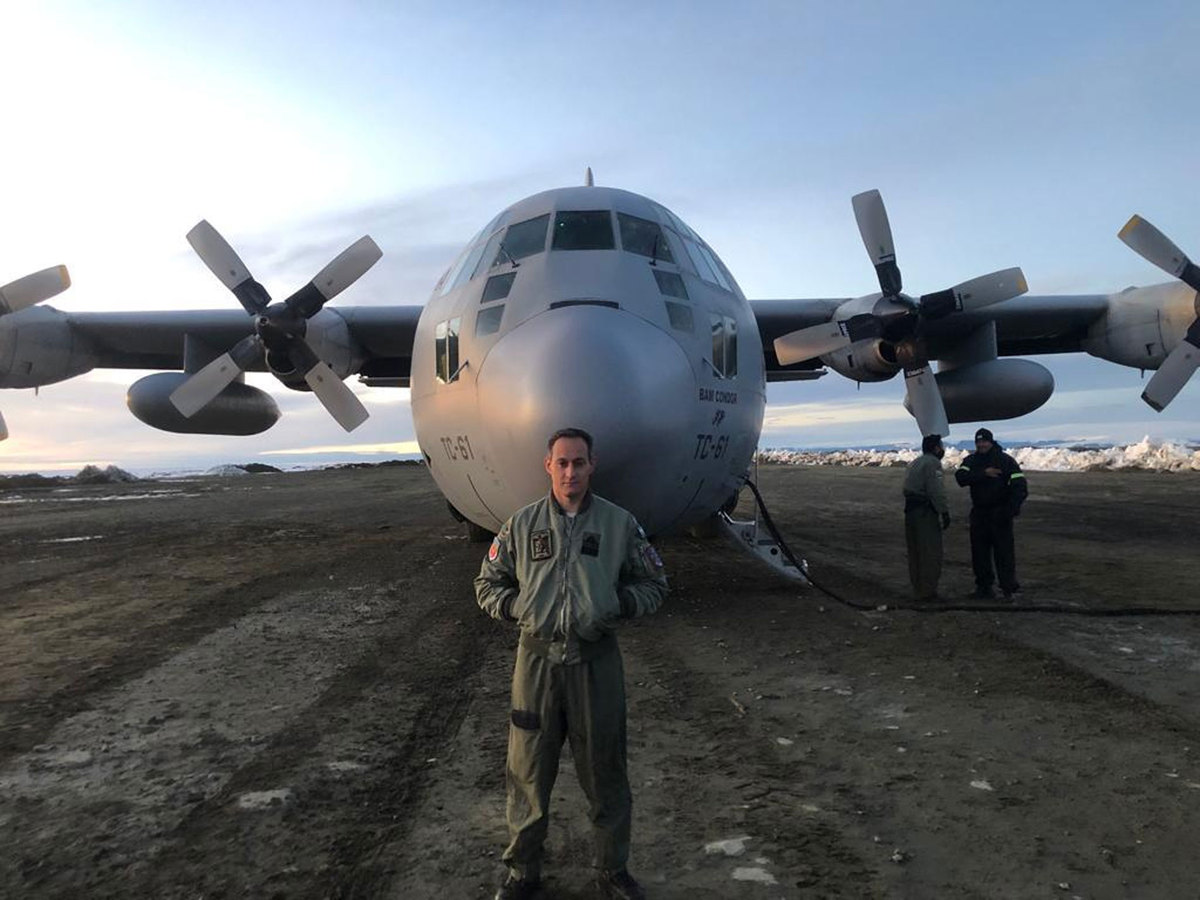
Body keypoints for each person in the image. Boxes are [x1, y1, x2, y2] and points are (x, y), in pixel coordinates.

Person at [475, 427, 668, 900]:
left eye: (578, 462)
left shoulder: (619, 525)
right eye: (561, 463)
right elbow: (487, 583)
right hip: (536, 666)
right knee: (527, 773)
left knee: (606, 771)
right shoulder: (521, 526)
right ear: (548, 467)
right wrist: (516, 608)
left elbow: (655, 583)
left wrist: (617, 605)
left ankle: (612, 870)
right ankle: (523, 872)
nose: (569, 472)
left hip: (596, 665)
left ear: (591, 466)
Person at [954, 427, 1028, 600]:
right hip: (980, 514)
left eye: (984, 441)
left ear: (991, 441)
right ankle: (984, 588)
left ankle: (1008, 589)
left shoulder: (1006, 461)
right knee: (979, 554)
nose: (981, 444)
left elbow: (1020, 487)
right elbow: (961, 478)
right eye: (978, 442)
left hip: (1000, 513)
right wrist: (983, 474)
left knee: (1004, 553)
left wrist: (1010, 510)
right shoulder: (971, 460)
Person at [903, 433, 950, 601]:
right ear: (936, 448)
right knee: (930, 552)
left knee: (915, 551)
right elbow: (936, 490)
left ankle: (918, 588)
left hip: (911, 511)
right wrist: (943, 511)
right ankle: (928, 592)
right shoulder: (933, 464)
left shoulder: (915, 463)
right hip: (925, 513)